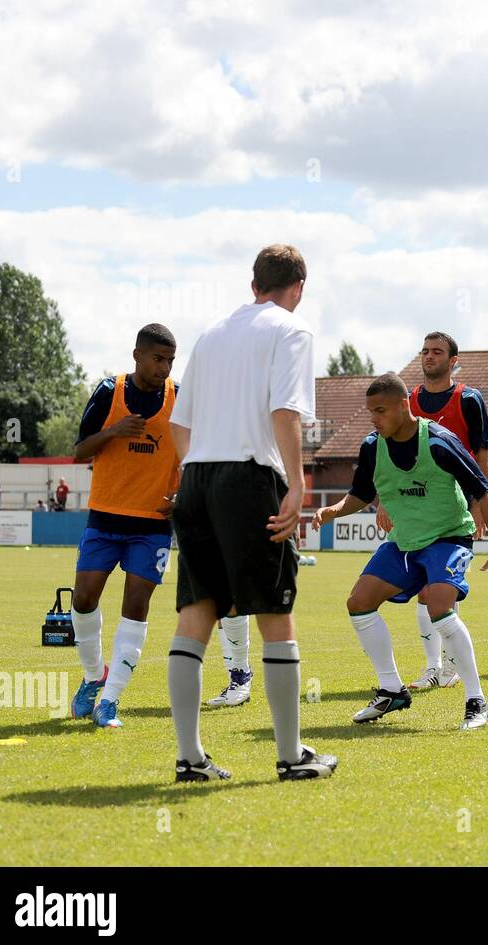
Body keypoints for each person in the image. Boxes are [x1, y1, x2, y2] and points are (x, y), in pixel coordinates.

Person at [167, 243, 334, 783]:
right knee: (274, 612)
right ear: (298, 287)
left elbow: (178, 424)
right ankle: (290, 756)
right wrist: (297, 482)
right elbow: (283, 410)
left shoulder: (211, 334)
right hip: (249, 478)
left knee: (198, 609)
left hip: (196, 476)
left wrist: (196, 472)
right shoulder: (292, 328)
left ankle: (189, 756)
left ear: (253, 282)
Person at [312, 372, 488, 729]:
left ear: (403, 405)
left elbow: (483, 490)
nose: (374, 419)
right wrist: (333, 511)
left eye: (380, 410)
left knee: (440, 607)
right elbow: (361, 495)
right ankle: (391, 690)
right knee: (358, 603)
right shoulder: (371, 445)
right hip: (404, 542)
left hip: (448, 536)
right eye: (370, 412)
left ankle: (476, 699)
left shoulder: (440, 441)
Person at [67, 324, 189, 730]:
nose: (165, 367)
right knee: (83, 598)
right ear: (137, 354)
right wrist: (114, 431)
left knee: (135, 606)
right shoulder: (108, 392)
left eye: (170, 360)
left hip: (152, 524)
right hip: (104, 518)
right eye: (158, 358)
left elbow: (195, 453)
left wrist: (183, 493)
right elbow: (80, 451)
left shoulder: (179, 398)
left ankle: (111, 700)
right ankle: (92, 676)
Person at [400, 331, 488, 693]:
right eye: (425, 351)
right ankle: (435, 666)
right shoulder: (407, 400)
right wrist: (387, 504)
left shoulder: (468, 399)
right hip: (415, 507)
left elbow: (482, 454)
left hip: (455, 510)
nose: (429, 356)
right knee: (424, 588)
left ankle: (449, 665)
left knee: (441, 587)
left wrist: (479, 503)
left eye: (437, 352)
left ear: (453, 361)